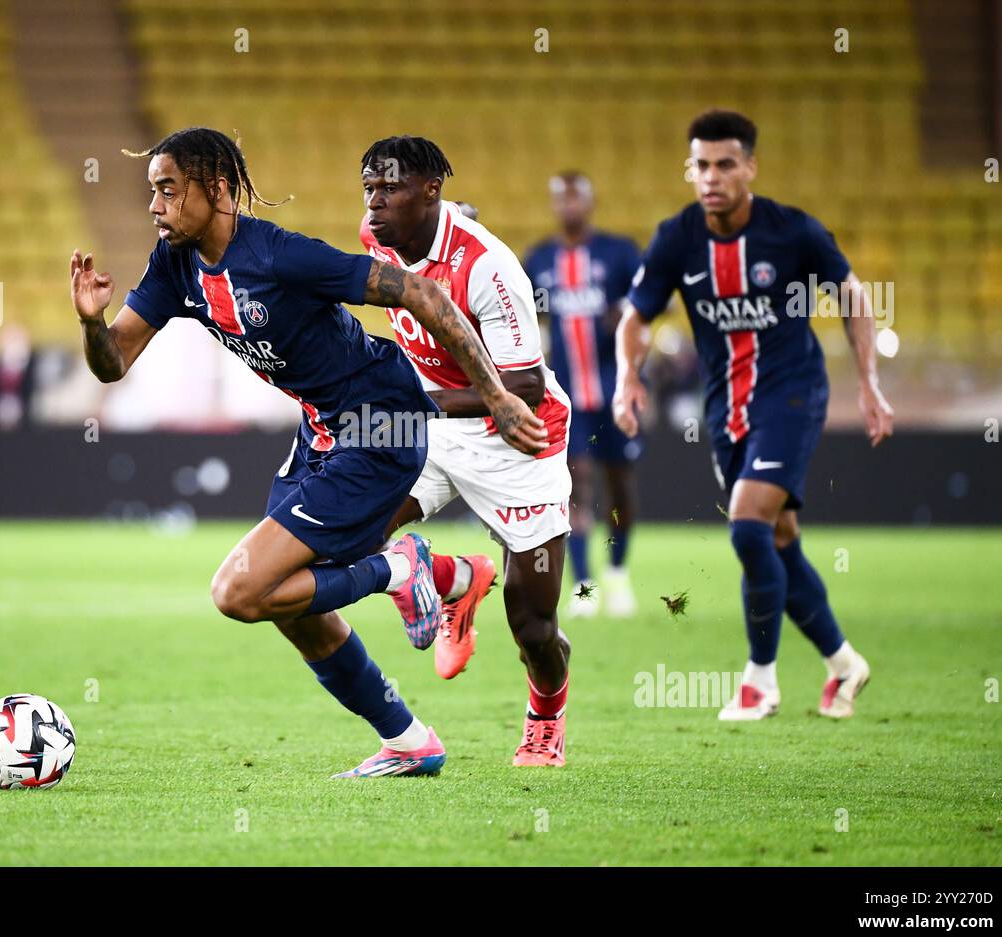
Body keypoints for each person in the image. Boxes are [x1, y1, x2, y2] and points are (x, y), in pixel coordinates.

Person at [70, 127, 547, 776]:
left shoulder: (281, 256)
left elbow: (422, 294)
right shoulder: (175, 264)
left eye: (168, 190)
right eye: (152, 191)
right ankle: (410, 740)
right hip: (321, 433)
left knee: (239, 592)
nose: (155, 206)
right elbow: (113, 363)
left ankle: (398, 568)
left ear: (217, 189)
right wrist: (92, 322)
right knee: (289, 605)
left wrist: (497, 397)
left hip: (380, 426)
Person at [613, 110, 894, 720]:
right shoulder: (677, 238)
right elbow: (635, 317)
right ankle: (844, 663)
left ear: (750, 168)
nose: (711, 177)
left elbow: (853, 297)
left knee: (746, 525)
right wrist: (626, 378)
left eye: (724, 164)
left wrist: (870, 383)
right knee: (779, 538)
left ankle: (760, 682)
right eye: (701, 165)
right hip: (726, 408)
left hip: (792, 394)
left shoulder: (792, 232)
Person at [360, 136, 574, 767]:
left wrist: (410, 405)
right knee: (351, 533)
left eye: (390, 188)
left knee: (533, 627)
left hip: (519, 439)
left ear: (431, 190)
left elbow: (524, 387)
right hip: (436, 428)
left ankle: (545, 719)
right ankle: (455, 578)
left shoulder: (490, 268)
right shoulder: (378, 236)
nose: (374, 202)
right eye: (369, 188)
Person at [526, 172, 644, 618]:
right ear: (553, 204)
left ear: (591, 202)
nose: (569, 206)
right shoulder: (540, 260)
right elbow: (522, 317)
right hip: (567, 395)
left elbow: (654, 302)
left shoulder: (619, 253)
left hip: (615, 392)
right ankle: (583, 584)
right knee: (575, 485)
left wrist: (627, 315)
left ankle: (617, 572)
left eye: (577, 197)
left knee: (621, 484)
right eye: (562, 198)